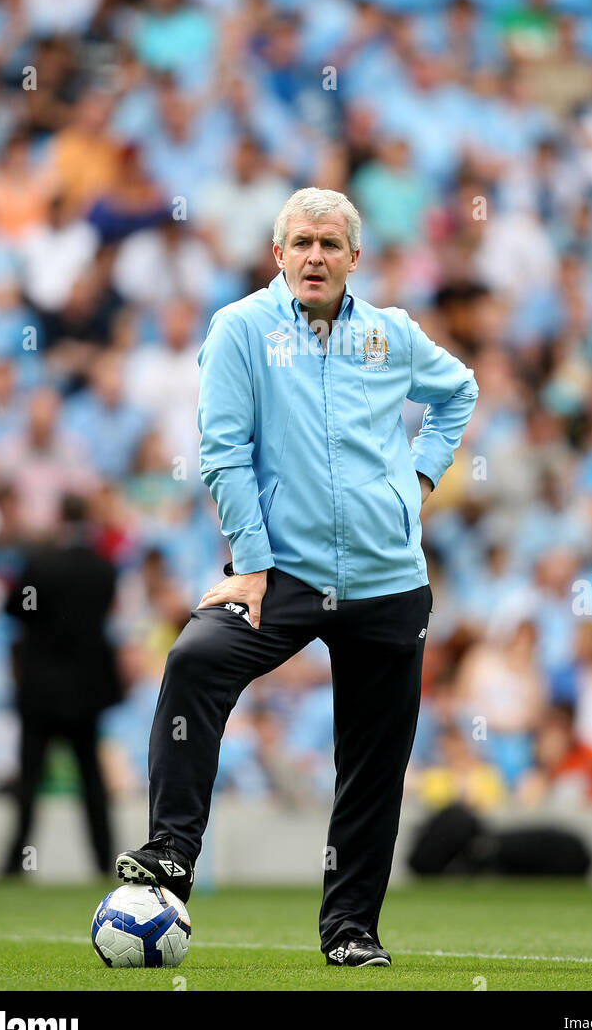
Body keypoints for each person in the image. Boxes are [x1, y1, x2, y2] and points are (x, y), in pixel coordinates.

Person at [115, 186, 479, 966]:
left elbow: (458, 391)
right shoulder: (241, 329)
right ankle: (172, 851)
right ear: (277, 254)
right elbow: (222, 452)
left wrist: (419, 478)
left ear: (354, 257)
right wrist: (250, 565)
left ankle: (350, 932)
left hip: (387, 579)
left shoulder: (390, 334)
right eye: (302, 243)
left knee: (372, 765)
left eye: (329, 243)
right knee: (195, 659)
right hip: (282, 575)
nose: (315, 256)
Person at [0, 491, 121, 876]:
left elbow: (14, 609)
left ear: (59, 517)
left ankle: (17, 863)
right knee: (92, 781)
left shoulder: (40, 564)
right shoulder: (103, 568)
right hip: (85, 691)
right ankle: (104, 861)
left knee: (30, 781)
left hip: (41, 689)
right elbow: (104, 610)